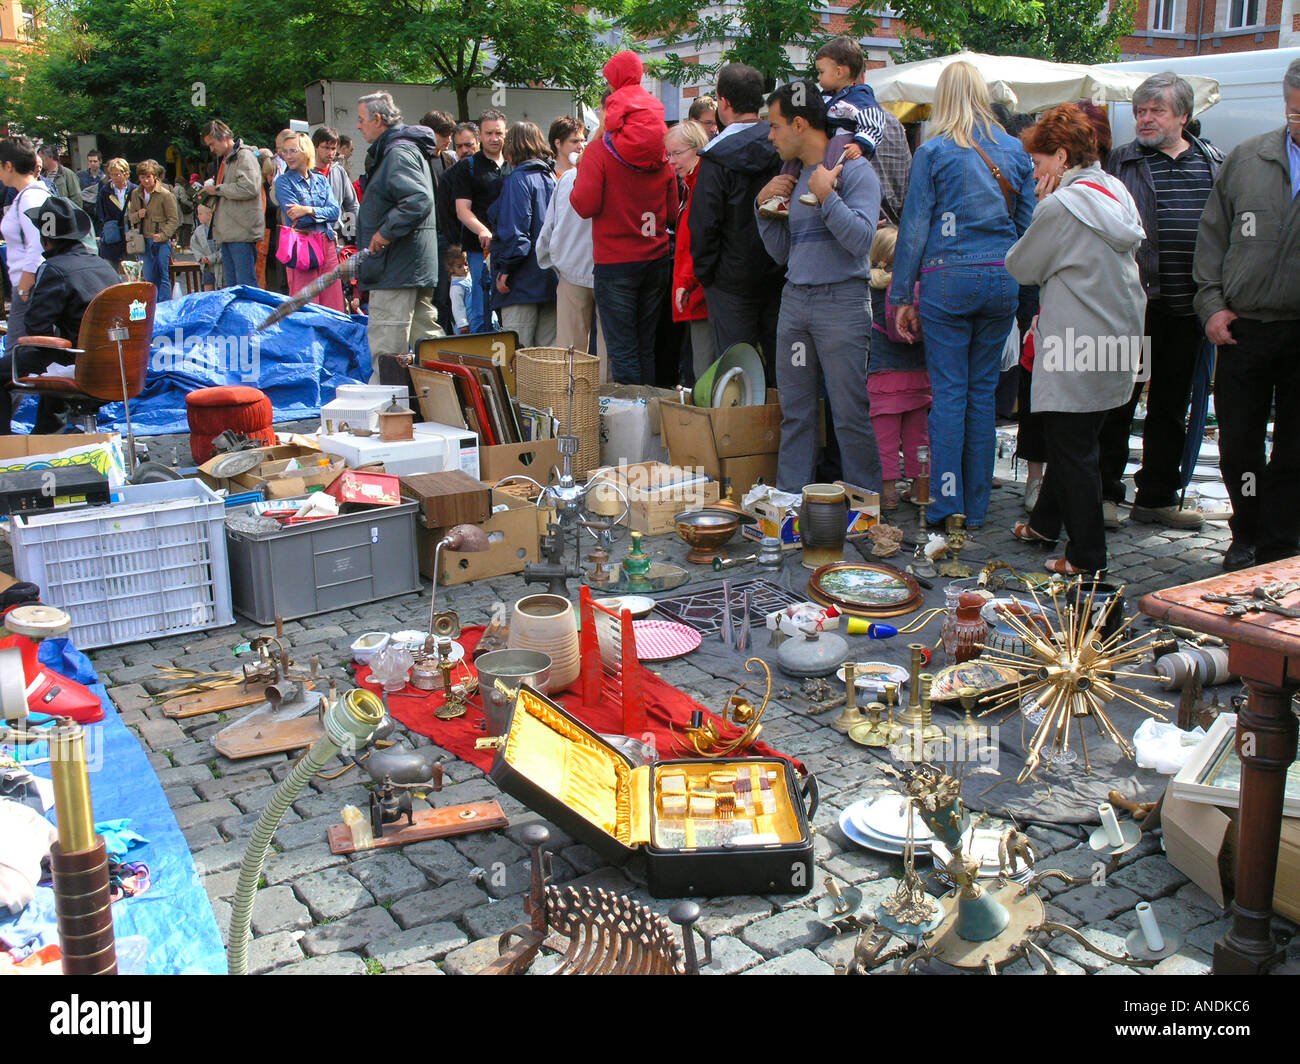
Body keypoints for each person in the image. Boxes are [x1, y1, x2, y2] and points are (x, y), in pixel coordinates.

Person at [890, 61, 1035, 531]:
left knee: (949, 394)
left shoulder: (933, 152)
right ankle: (975, 507)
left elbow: (913, 229)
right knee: (982, 393)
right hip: (1000, 277)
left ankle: (946, 505)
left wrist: (900, 296)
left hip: (946, 279)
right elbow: (1027, 228)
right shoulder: (1014, 150)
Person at [1006, 104, 1146, 576]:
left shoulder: (1061, 205)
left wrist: (1041, 207)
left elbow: (1021, 266)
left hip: (1076, 340)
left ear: (1062, 157)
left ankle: (1088, 558)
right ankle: (1046, 524)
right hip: (1120, 336)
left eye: (1040, 162)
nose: (1035, 170)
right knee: (1078, 436)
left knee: (1073, 447)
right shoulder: (1115, 189)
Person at [1097, 73, 1224, 533]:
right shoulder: (1119, 163)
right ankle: (1106, 493)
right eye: (1140, 111)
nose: (1145, 119)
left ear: (1183, 117)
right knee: (1116, 401)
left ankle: (1156, 496)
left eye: (1157, 111)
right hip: (1132, 306)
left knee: (1171, 404)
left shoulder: (1213, 162)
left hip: (1189, 307)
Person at [1193, 58, 1300, 570]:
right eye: (1297, 114)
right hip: (1245, 328)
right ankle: (1247, 529)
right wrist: (1212, 306)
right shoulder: (1248, 159)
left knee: (1296, 449)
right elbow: (1212, 239)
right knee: (1239, 443)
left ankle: (1282, 542)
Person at [755, 80, 883, 493]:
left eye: (775, 127)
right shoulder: (791, 177)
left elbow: (862, 241)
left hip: (842, 303)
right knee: (797, 413)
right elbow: (782, 255)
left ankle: (866, 509)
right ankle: (790, 504)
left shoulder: (855, 170)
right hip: (796, 301)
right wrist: (763, 211)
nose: (770, 136)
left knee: (849, 414)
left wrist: (827, 197)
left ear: (798, 124)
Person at [571, 61, 678, 385]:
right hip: (656, 259)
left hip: (616, 263)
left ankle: (633, 426)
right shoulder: (661, 155)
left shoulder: (598, 153)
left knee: (622, 351)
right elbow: (672, 213)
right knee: (646, 346)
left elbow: (584, 205)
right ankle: (649, 421)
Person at [689, 63, 782, 376]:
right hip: (776, 270)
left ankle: (740, 427)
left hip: (730, 279)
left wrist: (707, 274)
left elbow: (704, 223)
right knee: (779, 367)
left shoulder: (716, 157)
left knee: (734, 373)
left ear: (723, 102)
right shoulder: (779, 147)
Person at [1, 199, 121, 434]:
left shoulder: (54, 268)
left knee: (46, 357)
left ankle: (5, 451)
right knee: (54, 359)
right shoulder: (104, 265)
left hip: (77, 361)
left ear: (45, 239)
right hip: (115, 363)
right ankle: (47, 435)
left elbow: (35, 327)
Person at [354, 90, 441, 380]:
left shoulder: (397, 152)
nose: (358, 125)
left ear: (378, 119)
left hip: (396, 269)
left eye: (362, 119)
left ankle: (387, 416)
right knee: (428, 347)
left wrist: (384, 233)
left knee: (388, 352)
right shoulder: (402, 149)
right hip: (409, 266)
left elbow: (417, 199)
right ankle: (445, 410)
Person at [759, 36, 888, 219]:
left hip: (846, 139)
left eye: (821, 72)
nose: (819, 79)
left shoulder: (859, 97)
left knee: (837, 143)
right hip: (834, 141)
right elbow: (783, 246)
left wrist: (861, 143)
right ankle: (782, 196)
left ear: (838, 72)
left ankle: (829, 181)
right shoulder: (827, 95)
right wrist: (760, 206)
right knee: (793, 160)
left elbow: (873, 120)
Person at [536, 116, 608, 377]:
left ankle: (569, 406)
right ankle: (604, 407)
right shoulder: (614, 177)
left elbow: (549, 229)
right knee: (605, 350)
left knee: (569, 351)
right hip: (606, 270)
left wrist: (552, 263)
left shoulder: (568, 178)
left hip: (572, 270)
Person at [867, 225, 930, 511]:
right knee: (919, 437)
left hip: (884, 376)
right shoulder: (917, 288)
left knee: (885, 440)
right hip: (919, 375)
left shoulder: (871, 289)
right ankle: (920, 489)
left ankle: (888, 493)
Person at [489, 122, 558, 347]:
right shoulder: (552, 179)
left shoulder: (517, 180)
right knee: (549, 360)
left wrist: (505, 270)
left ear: (511, 150)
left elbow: (515, 231)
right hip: (551, 279)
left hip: (521, 282)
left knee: (519, 356)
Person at [446, 110, 509, 332]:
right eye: (489, 133)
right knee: (479, 308)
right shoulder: (469, 166)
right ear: (480, 136)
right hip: (479, 250)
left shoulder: (514, 163)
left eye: (498, 133)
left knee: (508, 310)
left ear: (506, 134)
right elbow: (462, 210)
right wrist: (483, 231)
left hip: (511, 247)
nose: (494, 138)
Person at [274, 132, 344, 310]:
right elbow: (298, 219)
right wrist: (319, 213)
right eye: (285, 152)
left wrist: (308, 209)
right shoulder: (283, 182)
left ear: (305, 152)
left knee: (333, 305)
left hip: (327, 243)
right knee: (307, 306)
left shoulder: (320, 179)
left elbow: (335, 212)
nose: (288, 156)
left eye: (293, 151)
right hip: (302, 245)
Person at [666, 119, 712, 379]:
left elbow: (701, 239)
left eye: (677, 153)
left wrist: (686, 281)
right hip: (694, 290)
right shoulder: (690, 184)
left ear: (697, 148)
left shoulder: (702, 184)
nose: (671, 161)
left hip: (699, 291)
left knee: (705, 373)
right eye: (669, 154)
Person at [199, 120, 265, 288]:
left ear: (224, 137)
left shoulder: (244, 156)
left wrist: (218, 189)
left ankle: (251, 314)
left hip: (241, 233)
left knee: (245, 285)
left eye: (212, 144)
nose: (211, 149)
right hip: (230, 233)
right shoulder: (227, 160)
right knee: (234, 286)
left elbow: (250, 188)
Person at [0, 137, 51, 346]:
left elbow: (40, 244)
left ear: (9, 166)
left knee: (16, 357)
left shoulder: (31, 197)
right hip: (28, 285)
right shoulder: (27, 196)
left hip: (29, 286)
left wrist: (23, 288)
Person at [127, 160, 179, 301]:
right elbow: (130, 217)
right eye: (143, 177)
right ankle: (152, 305)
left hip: (160, 240)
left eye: (148, 177)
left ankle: (165, 304)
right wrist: (138, 215)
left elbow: (174, 220)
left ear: (155, 176)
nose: (146, 180)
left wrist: (163, 235)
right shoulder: (135, 193)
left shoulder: (165, 194)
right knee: (149, 276)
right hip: (142, 240)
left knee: (163, 275)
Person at [312, 126, 359, 247]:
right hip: (312, 236)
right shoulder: (306, 172)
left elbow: (352, 206)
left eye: (333, 148)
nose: (330, 152)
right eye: (326, 148)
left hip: (336, 236)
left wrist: (353, 236)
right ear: (316, 147)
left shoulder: (339, 171)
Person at [96, 157, 133, 270]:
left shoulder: (134, 190)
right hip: (113, 231)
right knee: (110, 268)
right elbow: (99, 211)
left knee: (132, 268)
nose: (114, 178)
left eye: (117, 174)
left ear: (126, 174)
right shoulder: (105, 190)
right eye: (112, 174)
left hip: (131, 231)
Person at [191, 202, 223, 289]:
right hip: (207, 266)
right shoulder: (198, 231)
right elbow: (194, 246)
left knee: (222, 286)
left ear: (210, 215)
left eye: (201, 214)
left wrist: (212, 258)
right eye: (198, 214)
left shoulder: (221, 228)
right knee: (208, 287)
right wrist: (201, 257)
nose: (198, 216)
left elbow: (224, 249)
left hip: (220, 265)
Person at [77, 150, 107, 233]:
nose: (92, 163)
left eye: (95, 161)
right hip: (85, 211)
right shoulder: (80, 176)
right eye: (90, 161)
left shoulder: (105, 178)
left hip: (100, 212)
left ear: (100, 161)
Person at [446, 245, 472, 334]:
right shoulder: (457, 287)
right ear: (451, 269)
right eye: (459, 266)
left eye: (466, 264)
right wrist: (462, 324)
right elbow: (458, 306)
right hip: (466, 326)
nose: (465, 268)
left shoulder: (470, 278)